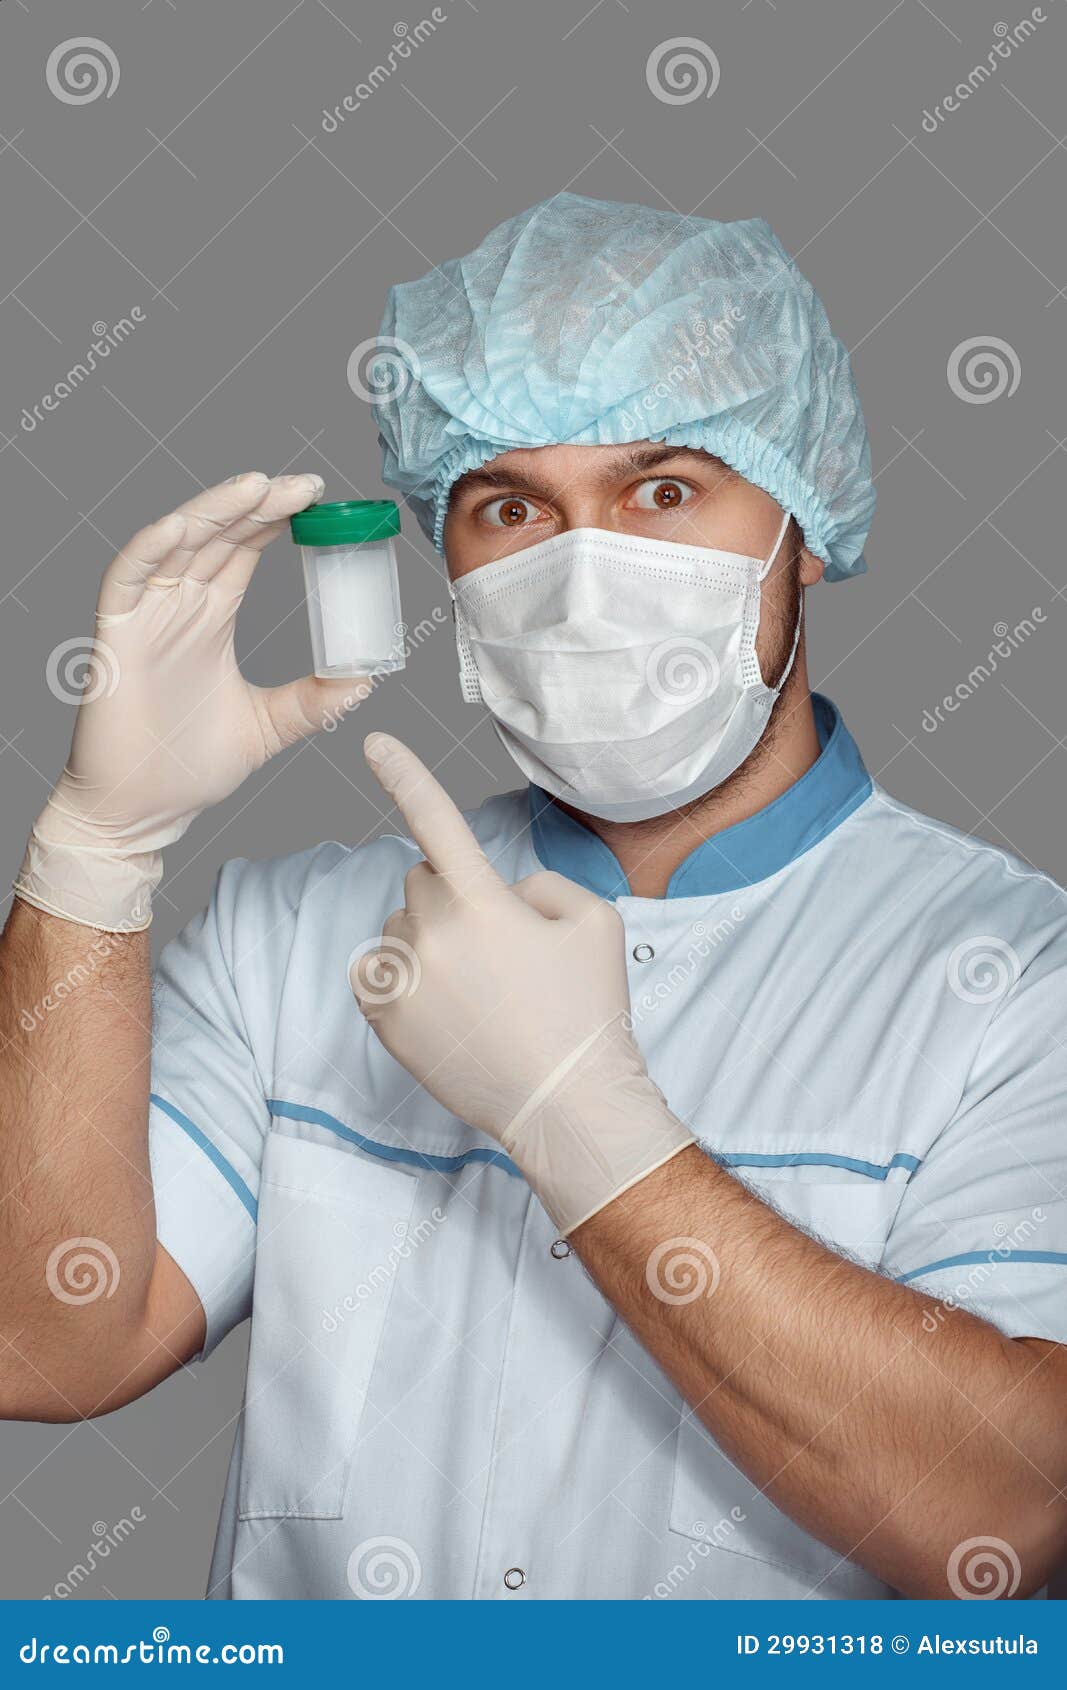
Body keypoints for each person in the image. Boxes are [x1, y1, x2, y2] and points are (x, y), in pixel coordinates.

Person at [2, 193, 1066, 1603]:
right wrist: (98, 850)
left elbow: (1007, 1518)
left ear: (803, 521)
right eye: (511, 508)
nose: (584, 570)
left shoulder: (1013, 981)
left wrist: (581, 1121)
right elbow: (41, 1345)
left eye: (663, 491)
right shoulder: (292, 939)